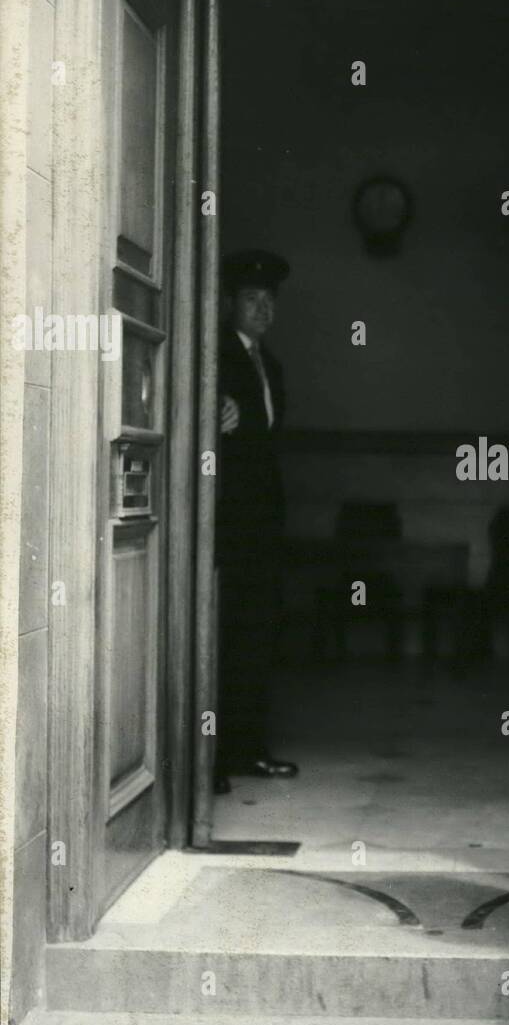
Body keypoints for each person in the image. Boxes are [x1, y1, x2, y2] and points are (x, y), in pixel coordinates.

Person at [214, 249, 298, 794]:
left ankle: (249, 750)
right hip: (226, 522)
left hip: (262, 524)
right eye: (251, 299)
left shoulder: (271, 365)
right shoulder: (215, 356)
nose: (262, 308)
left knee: (255, 637)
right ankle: (212, 760)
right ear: (230, 303)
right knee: (221, 637)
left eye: (269, 300)